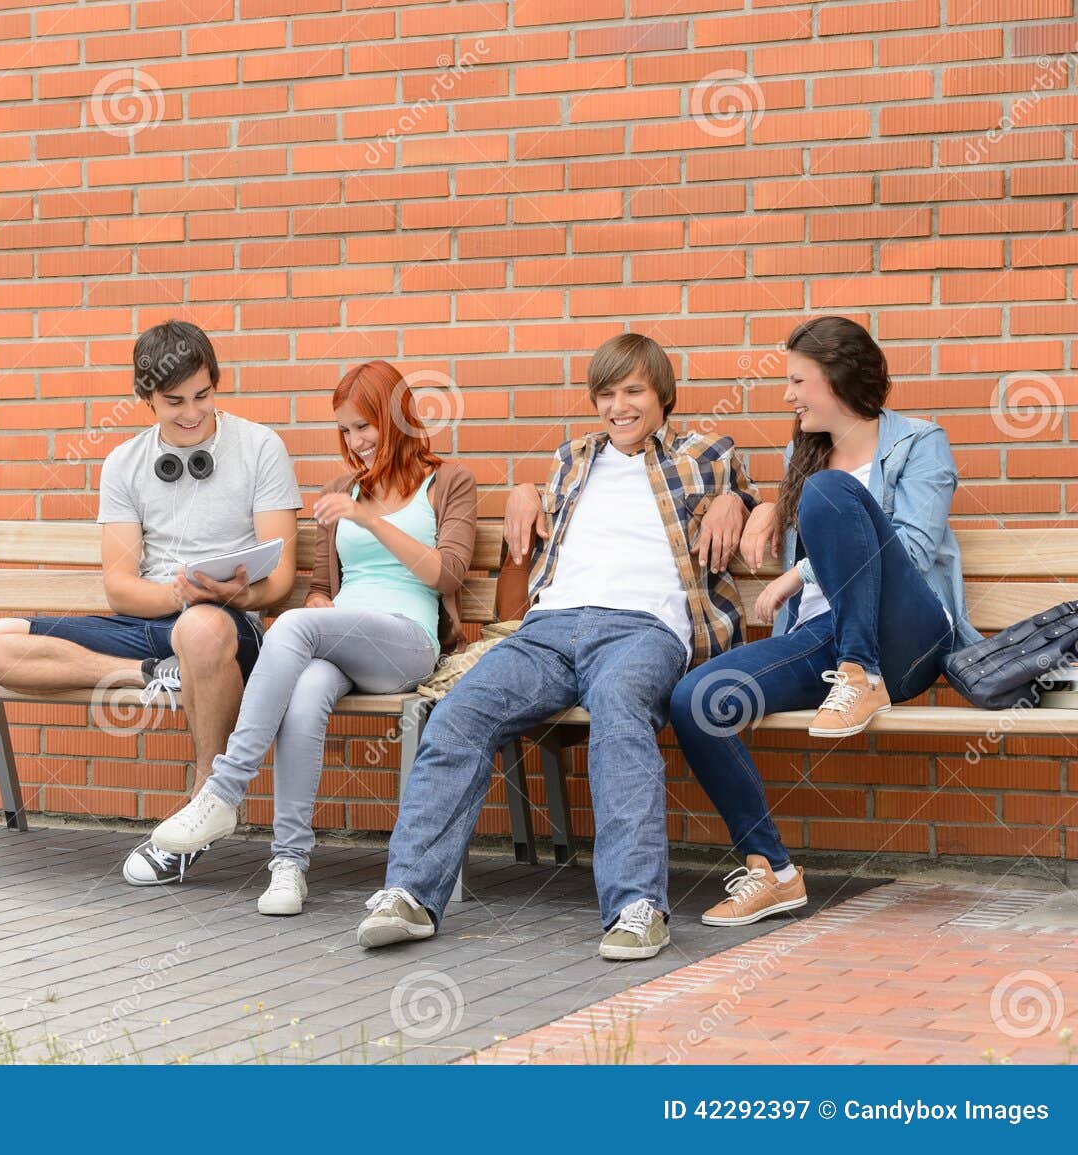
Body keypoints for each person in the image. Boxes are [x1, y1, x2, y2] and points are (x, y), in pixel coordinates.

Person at [356, 332, 758, 961]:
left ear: (663, 396)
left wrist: (738, 501)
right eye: (606, 394)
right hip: (547, 630)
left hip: (643, 629)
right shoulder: (574, 457)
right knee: (460, 713)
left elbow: (767, 499)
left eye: (633, 392)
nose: (618, 406)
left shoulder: (704, 451)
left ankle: (635, 907)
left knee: (620, 717)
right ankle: (409, 894)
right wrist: (523, 492)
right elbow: (545, 508)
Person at [0, 319, 301, 886]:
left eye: (203, 397)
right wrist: (174, 592)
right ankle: (152, 674)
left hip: (227, 623)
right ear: (146, 399)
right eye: (174, 402)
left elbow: (281, 577)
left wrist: (238, 592)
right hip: (145, 626)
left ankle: (204, 802)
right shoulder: (123, 463)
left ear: (216, 385)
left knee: (200, 631)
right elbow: (120, 586)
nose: (192, 414)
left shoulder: (260, 446)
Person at [669, 315, 980, 927]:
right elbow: (780, 507)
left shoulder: (919, 442)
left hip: (905, 637)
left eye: (797, 382)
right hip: (820, 640)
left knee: (829, 491)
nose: (787, 396)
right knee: (695, 699)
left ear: (836, 379)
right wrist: (755, 504)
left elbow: (913, 551)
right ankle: (774, 873)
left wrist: (795, 575)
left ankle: (860, 672)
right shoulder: (801, 453)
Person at [150, 361, 477, 915]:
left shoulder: (448, 482)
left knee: (297, 627)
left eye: (365, 426)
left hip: (407, 643)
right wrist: (322, 602)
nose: (356, 442)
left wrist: (371, 520)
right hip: (343, 639)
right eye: (346, 430)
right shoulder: (339, 490)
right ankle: (289, 865)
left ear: (396, 418)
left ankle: (225, 789)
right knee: (304, 694)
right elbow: (324, 589)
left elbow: (447, 573)